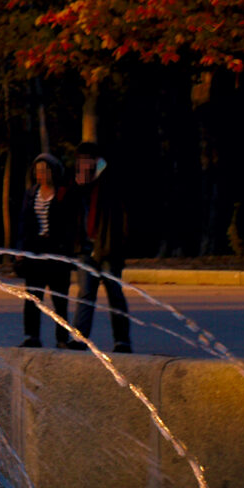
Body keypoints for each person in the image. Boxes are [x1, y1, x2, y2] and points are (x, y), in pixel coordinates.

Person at [72, 143, 133, 352]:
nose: (83, 164)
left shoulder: (109, 182)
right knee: (85, 294)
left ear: (96, 161)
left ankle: (122, 340)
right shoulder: (78, 185)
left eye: (87, 160)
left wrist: (120, 245)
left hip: (108, 248)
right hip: (85, 249)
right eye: (80, 160)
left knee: (114, 294)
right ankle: (79, 338)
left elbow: (123, 215)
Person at [15, 153, 78, 346]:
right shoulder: (31, 193)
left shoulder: (63, 193)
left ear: (54, 172)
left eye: (45, 170)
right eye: (38, 171)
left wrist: (69, 249)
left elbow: (71, 224)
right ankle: (31, 336)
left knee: (59, 298)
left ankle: (62, 338)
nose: (41, 174)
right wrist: (20, 250)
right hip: (35, 250)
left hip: (57, 251)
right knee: (33, 296)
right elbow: (24, 222)